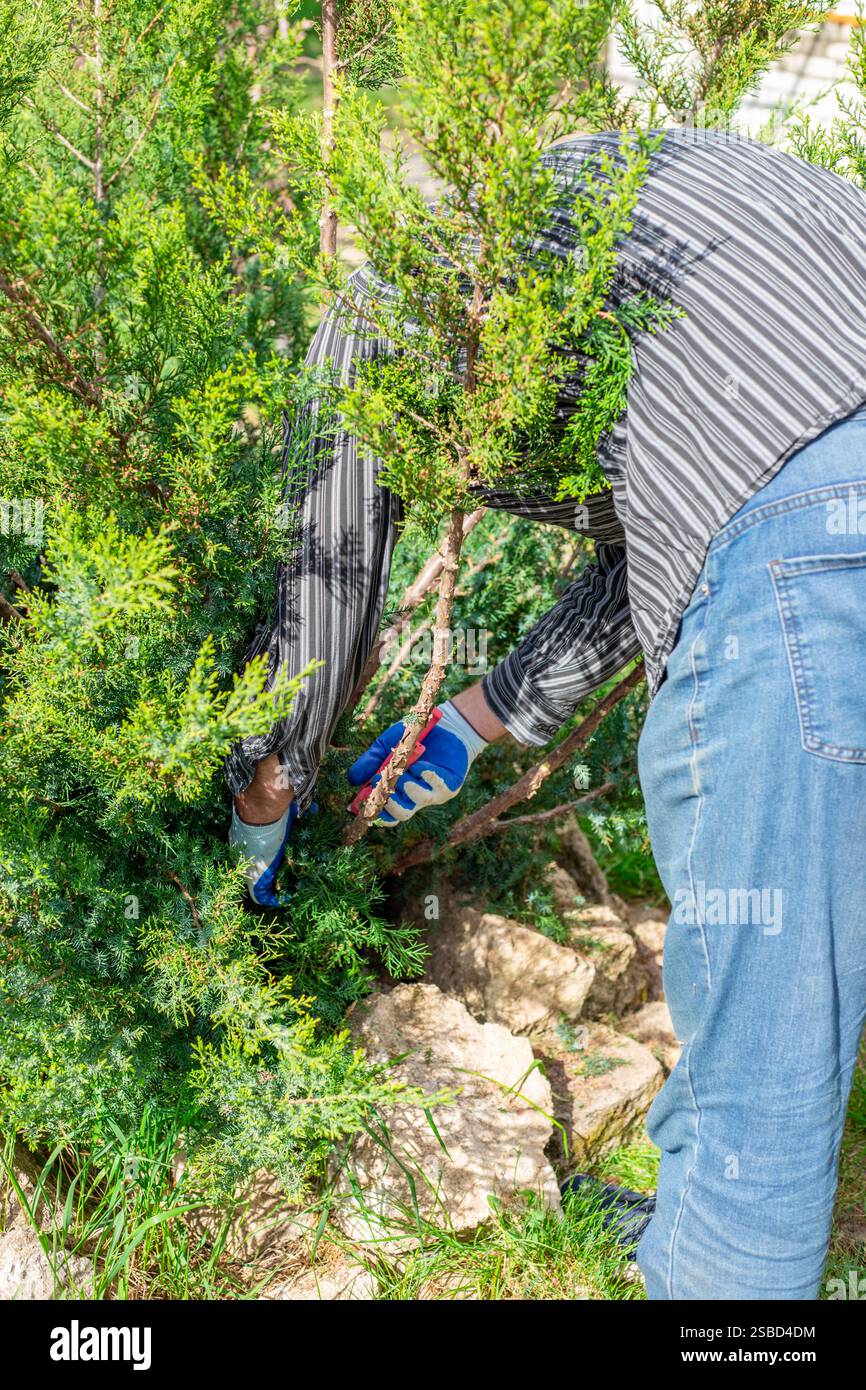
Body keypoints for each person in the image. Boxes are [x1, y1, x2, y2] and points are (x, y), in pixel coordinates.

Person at [225, 126, 866, 1299]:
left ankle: (722, 1272)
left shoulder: (388, 302)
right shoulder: (625, 188)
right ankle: (694, 1234)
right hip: (811, 507)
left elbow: (324, 588)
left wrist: (264, 801)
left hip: (808, 541)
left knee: (765, 1010)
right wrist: (472, 718)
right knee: (804, 952)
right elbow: (683, 519)